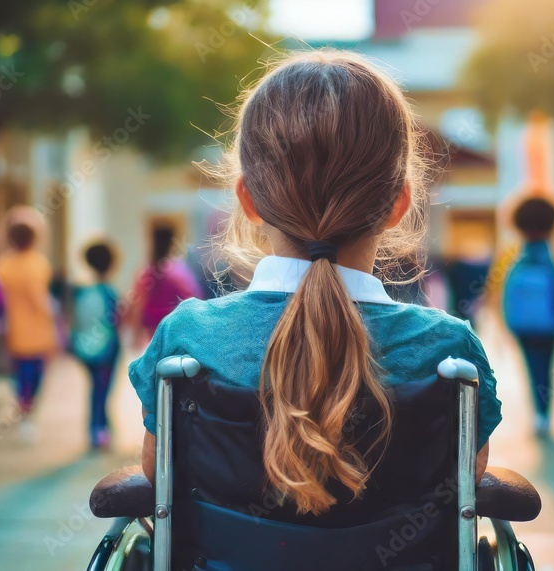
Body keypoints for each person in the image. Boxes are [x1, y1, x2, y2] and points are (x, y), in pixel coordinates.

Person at [128, 51, 502, 515]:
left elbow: (158, 471)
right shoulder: (448, 352)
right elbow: (467, 478)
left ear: (248, 200)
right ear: (399, 204)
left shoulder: (188, 340)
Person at [500, 193, 554, 436]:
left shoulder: (511, 253)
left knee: (531, 366)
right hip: (551, 324)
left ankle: (538, 413)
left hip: (521, 324)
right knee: (548, 365)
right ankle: (545, 412)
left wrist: (504, 322)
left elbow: (497, 289)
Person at [0, 207, 58, 440]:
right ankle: (28, 413)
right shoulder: (39, 263)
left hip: (13, 329)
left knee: (20, 374)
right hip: (39, 330)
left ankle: (24, 408)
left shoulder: (2, 264)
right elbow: (40, 299)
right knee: (37, 374)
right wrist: (56, 320)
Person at [70, 241, 122, 449]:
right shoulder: (109, 293)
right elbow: (115, 322)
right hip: (106, 350)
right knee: (102, 390)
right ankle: (99, 429)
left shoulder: (82, 292)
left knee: (96, 388)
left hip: (85, 349)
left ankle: (100, 426)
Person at [128, 226, 203, 348]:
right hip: (174, 334)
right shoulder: (179, 272)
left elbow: (137, 305)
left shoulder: (146, 272)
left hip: (152, 335)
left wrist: (136, 335)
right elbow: (193, 302)